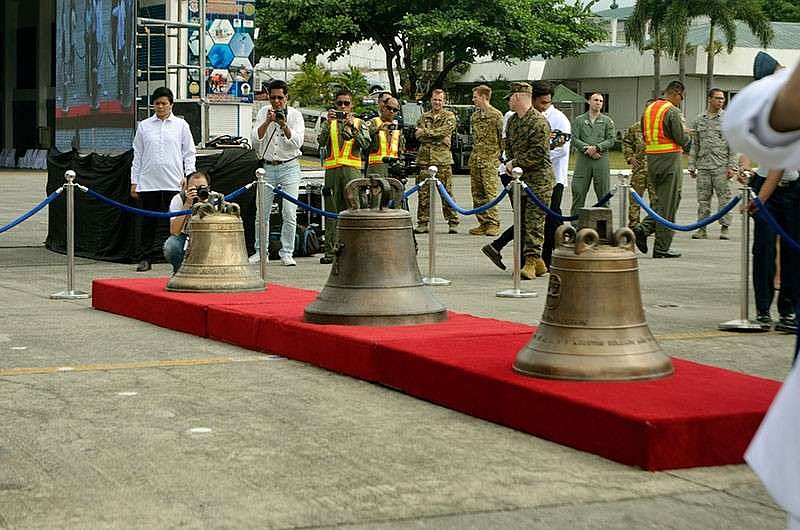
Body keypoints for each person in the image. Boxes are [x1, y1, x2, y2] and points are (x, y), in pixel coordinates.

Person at [130, 86, 196, 272]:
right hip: (148, 182)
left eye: (164, 103)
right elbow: (138, 156)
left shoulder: (181, 126)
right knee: (147, 223)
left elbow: (189, 153)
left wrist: (189, 177)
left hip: (174, 182)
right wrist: (134, 182)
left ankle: (179, 256)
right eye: (157, 103)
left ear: (171, 105)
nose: (160, 107)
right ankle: (145, 258)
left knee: (179, 221)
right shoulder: (144, 126)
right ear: (153, 105)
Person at [632, 81, 691, 259]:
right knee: (670, 203)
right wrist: (688, 135)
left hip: (652, 160)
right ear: (676, 93)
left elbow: (644, 133)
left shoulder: (649, 109)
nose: (681, 101)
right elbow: (681, 139)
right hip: (670, 160)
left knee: (659, 203)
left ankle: (645, 229)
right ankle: (660, 246)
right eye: (682, 97)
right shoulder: (672, 111)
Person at [249, 79, 305, 266]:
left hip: (289, 166)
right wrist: (267, 122)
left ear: (286, 97)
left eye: (280, 97)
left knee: (289, 212)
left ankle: (287, 252)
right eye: (272, 98)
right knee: (261, 213)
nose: (276, 101)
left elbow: (297, 143)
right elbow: (255, 140)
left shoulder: (296, 115)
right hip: (267, 168)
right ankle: (260, 251)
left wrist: (283, 125)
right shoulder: (263, 112)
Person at [504, 82, 555, 280]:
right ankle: (538, 262)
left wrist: (515, 163)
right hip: (521, 180)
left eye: (510, 97)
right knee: (522, 221)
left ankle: (532, 261)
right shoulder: (513, 121)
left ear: (517, 97)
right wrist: (511, 163)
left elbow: (539, 153)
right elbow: (508, 144)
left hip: (539, 182)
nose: (509, 101)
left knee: (534, 222)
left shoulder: (538, 122)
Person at [318, 89, 370, 263]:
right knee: (331, 212)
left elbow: (365, 144)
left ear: (351, 105)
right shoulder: (330, 122)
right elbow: (320, 142)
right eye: (339, 103)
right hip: (332, 172)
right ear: (335, 104)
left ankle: (356, 250)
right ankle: (331, 251)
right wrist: (327, 122)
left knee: (354, 210)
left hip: (351, 172)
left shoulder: (359, 123)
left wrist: (352, 128)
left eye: (346, 103)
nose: (342, 107)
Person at [687, 88, 738, 240]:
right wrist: (692, 165)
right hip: (703, 165)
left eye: (722, 99)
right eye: (717, 98)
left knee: (724, 198)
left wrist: (732, 167)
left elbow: (733, 145)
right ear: (709, 99)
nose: (721, 101)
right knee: (703, 199)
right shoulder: (699, 120)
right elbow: (695, 144)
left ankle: (725, 227)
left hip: (721, 165)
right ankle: (702, 228)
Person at [532, 81, 571, 268]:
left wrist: (535, 157)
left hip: (555, 178)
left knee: (550, 219)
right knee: (547, 219)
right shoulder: (529, 117)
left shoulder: (559, 119)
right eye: (541, 102)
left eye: (547, 102)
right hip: (533, 178)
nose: (544, 105)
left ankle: (547, 260)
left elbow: (560, 150)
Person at [413, 89, 459, 234]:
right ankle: (422, 222)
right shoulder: (423, 116)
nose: (437, 102)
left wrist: (427, 133)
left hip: (443, 161)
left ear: (443, 101)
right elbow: (418, 136)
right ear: (431, 100)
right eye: (435, 99)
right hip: (425, 160)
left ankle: (453, 222)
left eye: (440, 100)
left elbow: (445, 131)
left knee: (447, 193)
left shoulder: (449, 116)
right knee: (423, 193)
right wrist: (437, 136)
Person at [481, 106, 517, 271]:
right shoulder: (511, 116)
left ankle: (497, 246)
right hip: (511, 172)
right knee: (526, 217)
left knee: (527, 217)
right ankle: (497, 245)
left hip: (512, 170)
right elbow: (505, 143)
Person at [467, 84, 504, 237]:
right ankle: (483, 222)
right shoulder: (475, 116)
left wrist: (499, 157)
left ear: (484, 97)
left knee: (490, 193)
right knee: (477, 194)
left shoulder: (496, 115)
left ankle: (493, 223)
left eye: (475, 97)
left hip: (490, 160)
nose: (473, 100)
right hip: (476, 159)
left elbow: (502, 139)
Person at [570, 93, 615, 215]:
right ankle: (576, 225)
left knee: (604, 195)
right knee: (578, 192)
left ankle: (604, 226)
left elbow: (611, 140)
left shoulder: (607, 121)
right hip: (583, 162)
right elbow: (574, 139)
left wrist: (597, 148)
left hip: (601, 161)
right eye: (595, 100)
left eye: (601, 101)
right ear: (589, 102)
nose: (598, 103)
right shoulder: (579, 120)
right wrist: (588, 149)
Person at [163, 171, 210, 274]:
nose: (198, 191)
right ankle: (180, 272)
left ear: (208, 187)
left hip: (208, 238)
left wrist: (206, 204)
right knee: (171, 245)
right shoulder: (179, 199)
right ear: (187, 187)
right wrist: (188, 204)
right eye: (194, 188)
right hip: (185, 237)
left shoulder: (214, 199)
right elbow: (174, 231)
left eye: (202, 187)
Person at [623, 100, 657, 228]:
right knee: (635, 200)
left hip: (655, 170)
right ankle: (634, 225)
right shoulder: (636, 127)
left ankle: (652, 226)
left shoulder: (660, 128)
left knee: (656, 201)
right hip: (639, 169)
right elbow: (626, 142)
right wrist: (630, 157)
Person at [367, 96, 404, 178]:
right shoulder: (373, 122)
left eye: (395, 110)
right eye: (389, 108)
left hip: (393, 169)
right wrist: (378, 129)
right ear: (383, 107)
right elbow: (364, 137)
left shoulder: (396, 126)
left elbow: (401, 149)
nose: (391, 111)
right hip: (376, 168)